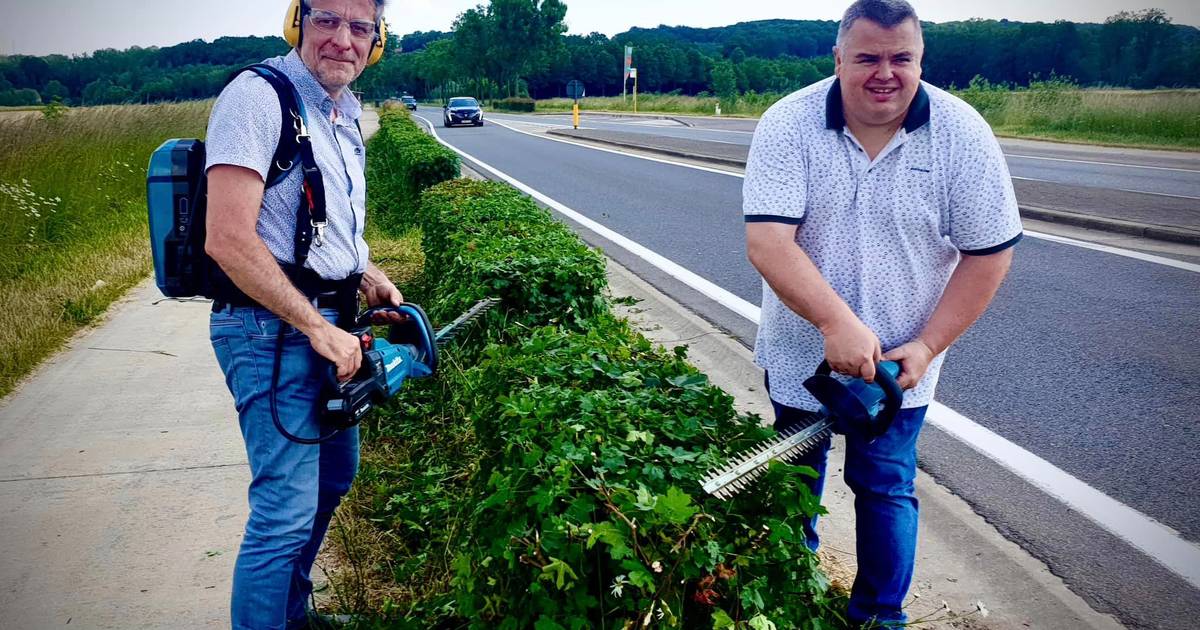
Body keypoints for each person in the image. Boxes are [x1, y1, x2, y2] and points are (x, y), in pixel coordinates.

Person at [742, 0, 1022, 625]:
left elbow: (989, 254)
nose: (885, 73)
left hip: (901, 369)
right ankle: (790, 598)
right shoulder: (788, 124)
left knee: (885, 489)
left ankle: (876, 618)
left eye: (902, 58)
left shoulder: (961, 133)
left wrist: (925, 347)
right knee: (793, 484)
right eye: (867, 57)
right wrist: (833, 322)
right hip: (799, 354)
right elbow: (767, 242)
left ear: (921, 59)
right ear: (838, 58)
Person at [203, 1, 400, 628]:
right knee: (282, 515)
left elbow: (311, 226)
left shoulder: (343, 114)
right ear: (298, 24)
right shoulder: (258, 98)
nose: (343, 40)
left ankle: (289, 613)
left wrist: (364, 274)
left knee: (334, 481)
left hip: (329, 325)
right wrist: (317, 328)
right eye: (327, 21)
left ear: (377, 40)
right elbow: (229, 238)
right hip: (268, 333)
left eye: (360, 27)